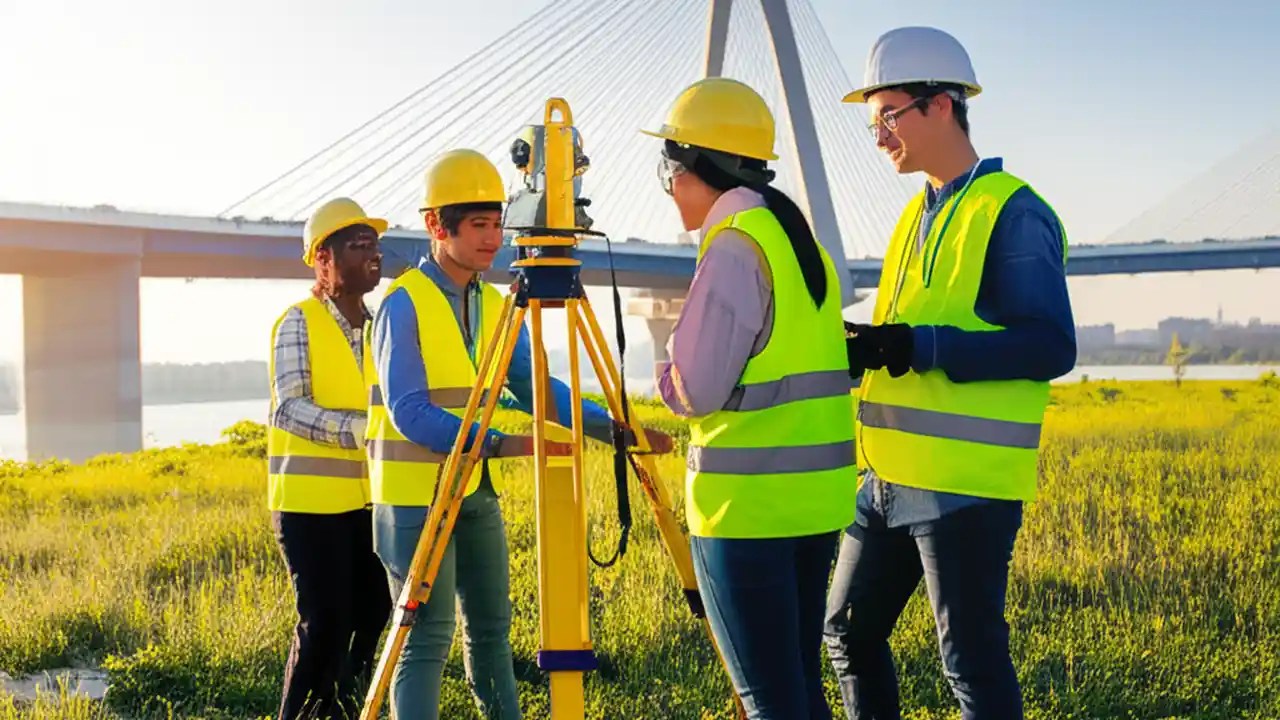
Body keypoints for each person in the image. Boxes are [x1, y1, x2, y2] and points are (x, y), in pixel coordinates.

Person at [365, 148, 673, 720]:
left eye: (495, 225)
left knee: (491, 630)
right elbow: (409, 411)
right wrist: (505, 444)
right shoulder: (401, 302)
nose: (492, 239)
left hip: (472, 490)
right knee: (426, 643)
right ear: (438, 225)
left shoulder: (490, 300)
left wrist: (614, 430)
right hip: (412, 500)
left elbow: (537, 388)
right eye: (478, 226)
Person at [827, 26, 1077, 720]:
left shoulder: (1012, 212)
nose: (878, 135)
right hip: (886, 479)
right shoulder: (916, 213)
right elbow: (914, 330)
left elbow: (1049, 345)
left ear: (941, 105)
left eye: (888, 116)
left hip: (963, 487)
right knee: (846, 631)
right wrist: (871, 348)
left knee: (968, 657)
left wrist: (919, 345)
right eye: (871, 121)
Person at [640, 77, 858, 719]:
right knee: (796, 690)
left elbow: (697, 387)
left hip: (747, 510)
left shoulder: (734, 245)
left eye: (669, 169)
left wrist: (664, 371)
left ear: (694, 167)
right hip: (813, 504)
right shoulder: (796, 242)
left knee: (770, 703)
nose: (670, 187)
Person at [267, 197, 392, 720]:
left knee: (377, 608)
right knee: (323, 620)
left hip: (371, 501)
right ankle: (299, 713)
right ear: (323, 259)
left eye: (374, 245)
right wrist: (362, 432)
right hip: (309, 506)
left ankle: (337, 701)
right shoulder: (297, 322)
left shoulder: (385, 323)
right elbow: (289, 408)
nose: (372, 255)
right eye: (357, 246)